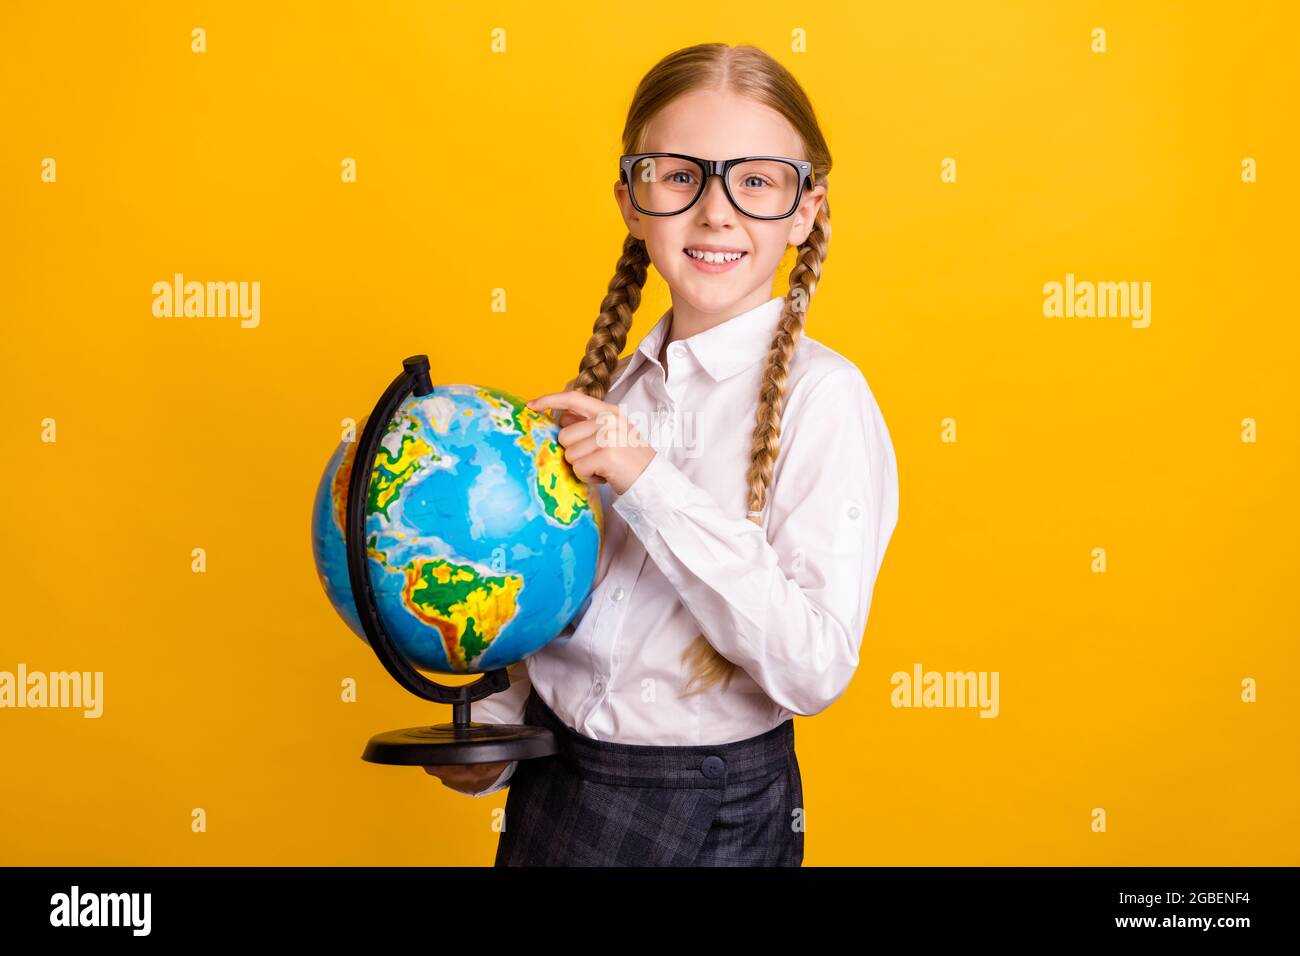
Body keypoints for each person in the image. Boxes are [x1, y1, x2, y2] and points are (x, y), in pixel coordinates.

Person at [424, 41, 899, 866]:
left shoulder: (826, 402)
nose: (716, 212)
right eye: (680, 176)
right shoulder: (617, 393)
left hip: (709, 812)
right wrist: (494, 735)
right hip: (560, 788)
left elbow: (814, 667)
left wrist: (649, 480)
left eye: (755, 181)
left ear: (805, 209)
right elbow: (572, 613)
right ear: (631, 202)